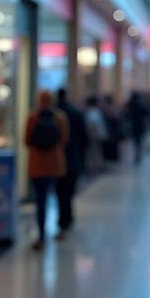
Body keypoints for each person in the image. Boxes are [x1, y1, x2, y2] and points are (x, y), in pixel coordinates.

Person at [25, 90, 69, 251]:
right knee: (57, 196)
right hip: (55, 164)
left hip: (37, 165)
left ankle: (41, 236)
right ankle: (59, 229)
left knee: (41, 200)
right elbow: (64, 139)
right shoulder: (60, 117)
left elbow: (27, 140)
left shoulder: (32, 117)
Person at [55, 88, 87, 233]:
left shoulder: (54, 114)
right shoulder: (75, 113)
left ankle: (63, 216)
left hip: (57, 157)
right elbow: (84, 138)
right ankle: (67, 215)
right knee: (69, 188)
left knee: (60, 189)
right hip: (73, 156)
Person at [84, 95, 107, 174]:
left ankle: (95, 167)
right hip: (97, 136)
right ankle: (97, 166)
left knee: (94, 152)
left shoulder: (92, 112)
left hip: (94, 137)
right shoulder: (96, 111)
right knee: (96, 152)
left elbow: (93, 125)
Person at [126, 91, 149, 164]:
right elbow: (146, 114)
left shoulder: (130, 104)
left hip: (134, 125)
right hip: (140, 125)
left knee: (136, 141)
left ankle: (137, 155)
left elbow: (127, 115)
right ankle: (138, 155)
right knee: (139, 141)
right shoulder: (141, 104)